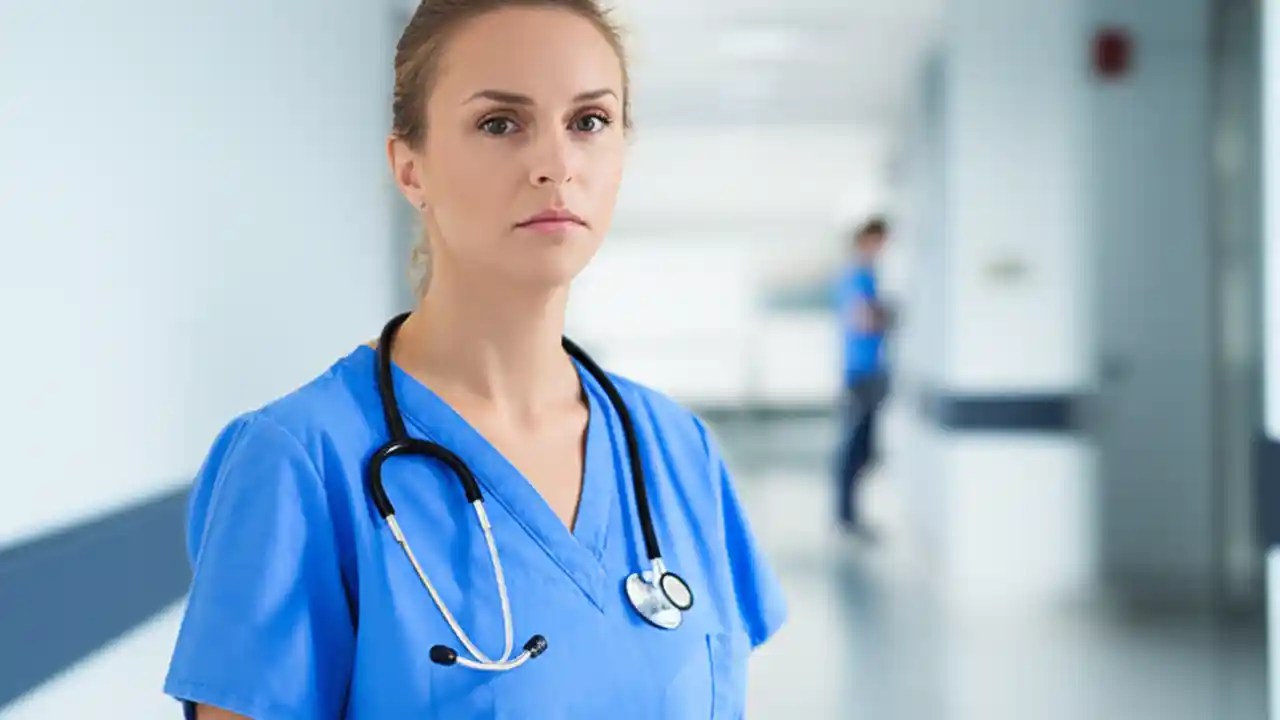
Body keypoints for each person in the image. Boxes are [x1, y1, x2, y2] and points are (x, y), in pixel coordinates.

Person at [161, 2, 786, 718]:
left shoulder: (677, 449)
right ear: (410, 167)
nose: (556, 165)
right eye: (500, 124)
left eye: (589, 122)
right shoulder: (298, 461)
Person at [833, 217, 891, 537]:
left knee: (863, 449)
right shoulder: (859, 276)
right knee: (857, 448)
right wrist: (888, 315)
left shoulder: (859, 276)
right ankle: (846, 517)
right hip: (862, 373)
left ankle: (848, 515)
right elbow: (864, 321)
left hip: (863, 372)